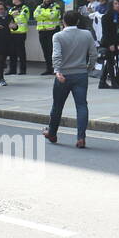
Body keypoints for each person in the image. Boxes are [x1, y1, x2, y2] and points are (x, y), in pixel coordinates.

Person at [42, 11, 95, 148]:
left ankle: (52, 133)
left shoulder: (58, 36)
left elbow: (56, 55)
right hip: (81, 74)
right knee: (82, 106)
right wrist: (88, 68)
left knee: (58, 105)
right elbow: (93, 54)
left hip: (63, 75)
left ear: (63, 21)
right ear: (77, 21)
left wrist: (57, 71)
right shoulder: (87, 34)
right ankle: (81, 137)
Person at [34, 0, 63, 75]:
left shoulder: (56, 6)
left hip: (53, 30)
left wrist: (42, 14)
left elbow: (53, 16)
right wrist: (47, 15)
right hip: (42, 31)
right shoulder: (39, 6)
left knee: (53, 51)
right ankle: (48, 68)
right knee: (45, 51)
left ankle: (55, 68)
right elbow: (35, 16)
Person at [97, 0, 119, 88]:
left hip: (115, 42)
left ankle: (102, 81)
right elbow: (106, 32)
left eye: (118, 4)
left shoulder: (117, 16)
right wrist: (110, 44)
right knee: (110, 61)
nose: (118, 5)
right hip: (108, 43)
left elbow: (118, 31)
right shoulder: (106, 17)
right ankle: (113, 81)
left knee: (110, 61)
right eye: (115, 4)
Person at [8, 0, 30, 75]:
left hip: (21, 33)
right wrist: (13, 15)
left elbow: (23, 19)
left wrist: (13, 16)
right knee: (12, 52)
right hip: (12, 33)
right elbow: (7, 18)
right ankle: (12, 69)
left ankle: (22, 70)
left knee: (21, 52)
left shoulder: (25, 8)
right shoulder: (12, 9)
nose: (12, 0)